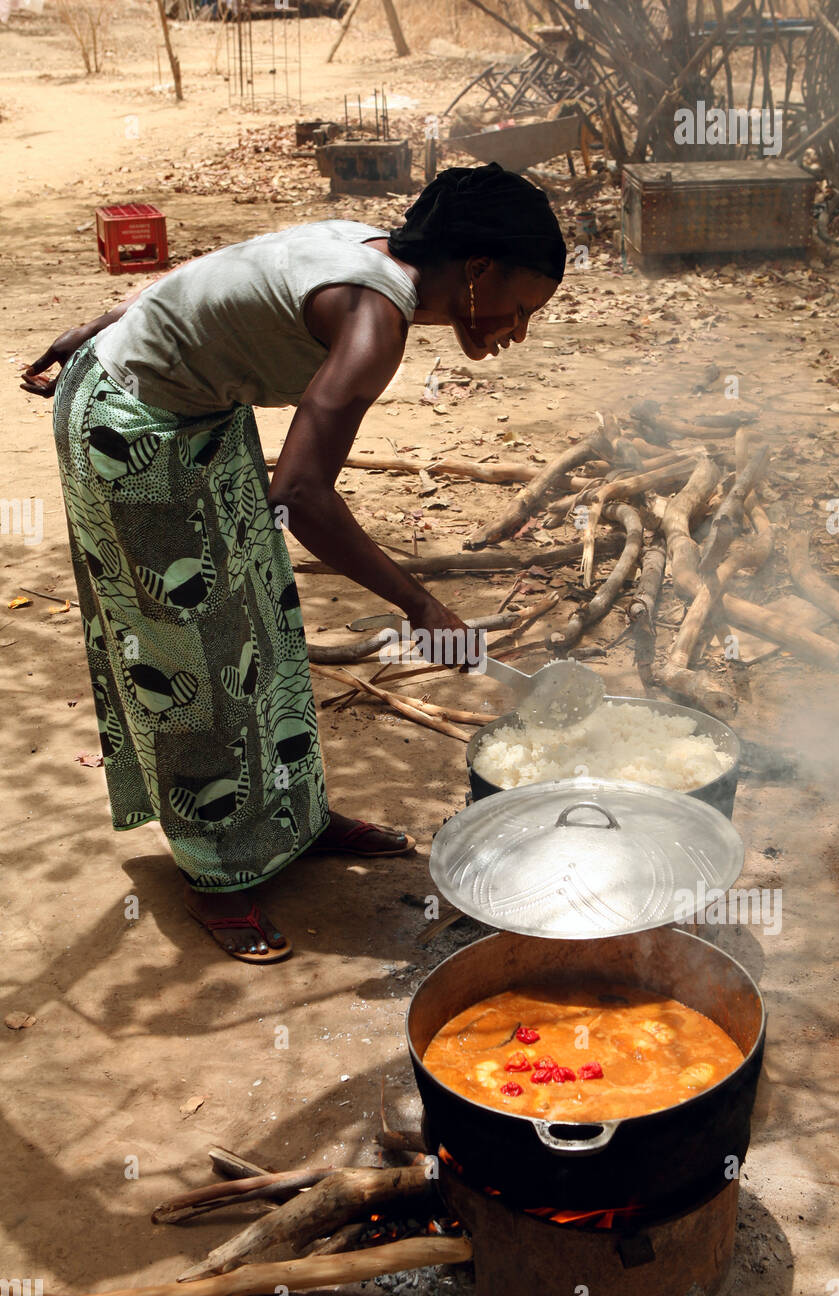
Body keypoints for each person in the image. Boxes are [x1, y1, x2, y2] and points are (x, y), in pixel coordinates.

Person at [21, 162, 567, 963]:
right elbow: (302, 496)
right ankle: (216, 872)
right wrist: (421, 607)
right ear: (479, 270)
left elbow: (215, 275)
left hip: (201, 411)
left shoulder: (369, 252)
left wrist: (104, 321)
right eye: (521, 309)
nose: (517, 330)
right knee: (193, 657)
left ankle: (295, 818)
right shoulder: (375, 320)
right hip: (131, 428)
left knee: (263, 627)